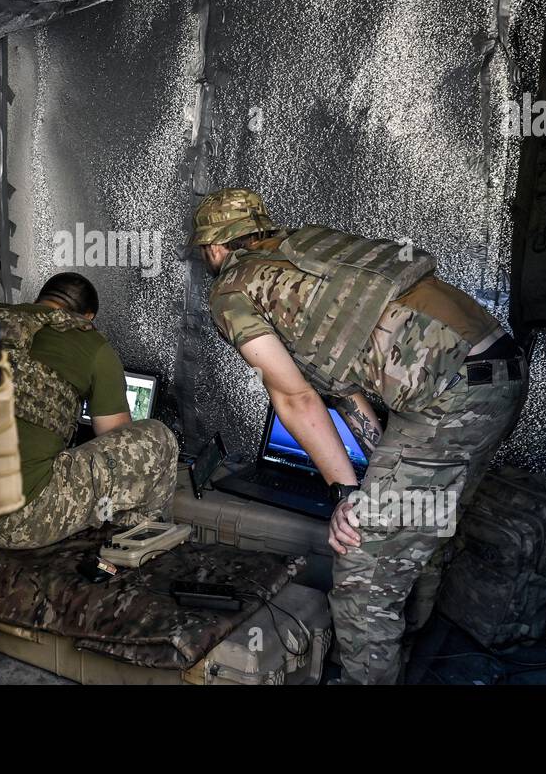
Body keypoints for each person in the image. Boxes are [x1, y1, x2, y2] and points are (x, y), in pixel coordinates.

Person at [190, 188, 527, 684]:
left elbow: (294, 397)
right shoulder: (308, 251)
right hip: (498, 370)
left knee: (361, 575)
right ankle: (407, 648)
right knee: (423, 525)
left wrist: (347, 495)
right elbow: (343, 385)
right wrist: (367, 482)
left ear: (215, 248)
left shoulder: (232, 289)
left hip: (447, 393)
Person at [0, 273, 177, 549]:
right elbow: (116, 440)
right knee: (158, 438)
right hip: (14, 522)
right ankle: (137, 539)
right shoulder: (92, 344)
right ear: (88, 317)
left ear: (38, 301)